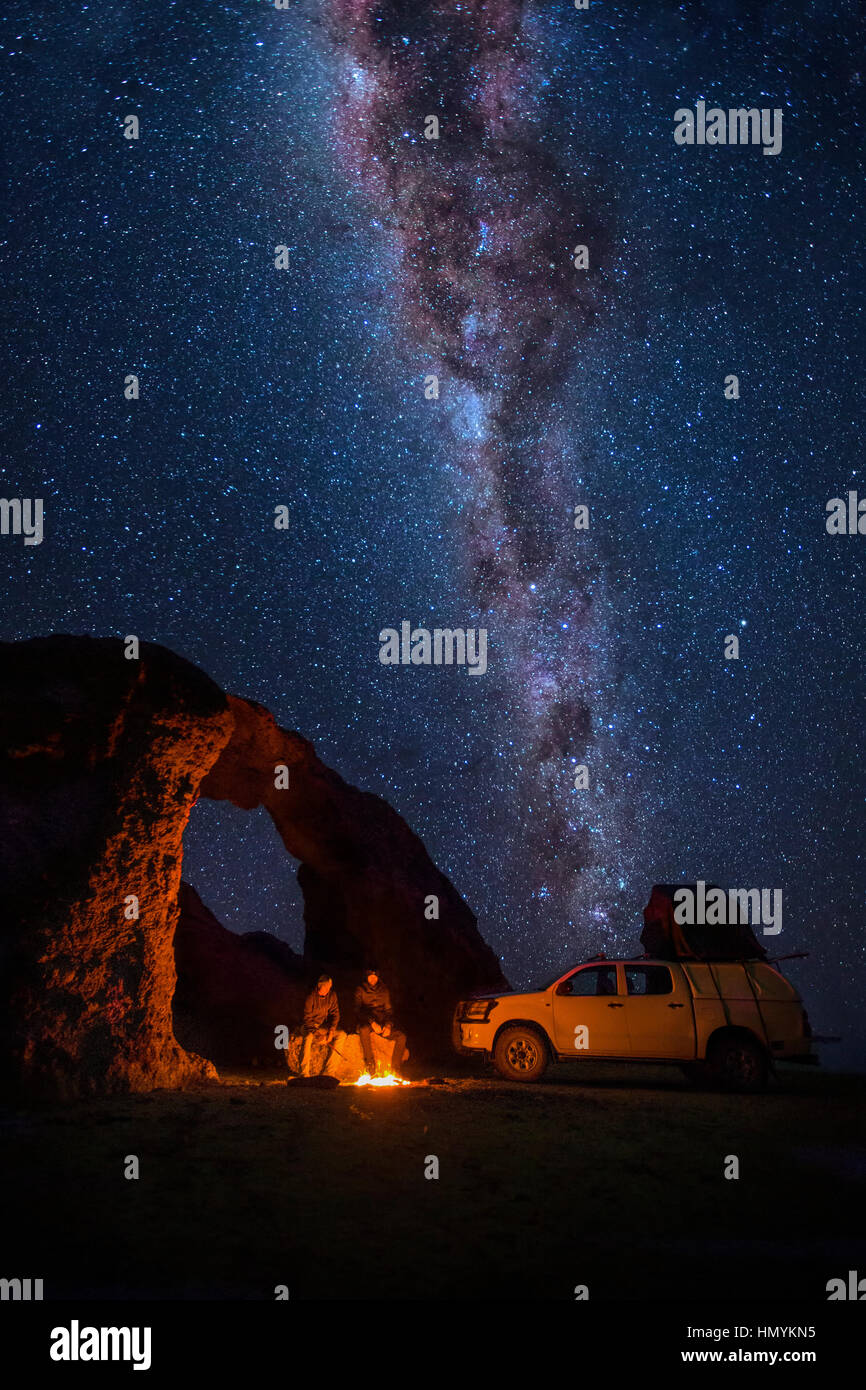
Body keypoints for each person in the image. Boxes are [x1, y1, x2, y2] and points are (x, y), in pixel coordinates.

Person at [353, 966, 407, 1076]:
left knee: (401, 1037)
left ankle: (395, 1069)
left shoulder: (384, 990)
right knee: (363, 1030)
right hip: (367, 1022)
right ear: (366, 977)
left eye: (375, 977)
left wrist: (388, 1025)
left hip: (382, 1023)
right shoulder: (360, 990)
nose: (373, 979)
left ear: (378, 977)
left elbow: (389, 1011)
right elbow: (357, 1010)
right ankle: (370, 1066)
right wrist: (372, 1022)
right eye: (370, 977)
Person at [299, 974, 346, 1077]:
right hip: (309, 1026)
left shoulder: (332, 995)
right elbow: (307, 1018)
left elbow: (335, 1014)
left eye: (329, 987)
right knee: (308, 1037)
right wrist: (316, 1033)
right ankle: (304, 1073)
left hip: (322, 1027)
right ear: (320, 986)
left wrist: (332, 1030)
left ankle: (329, 1072)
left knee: (342, 1035)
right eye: (325, 987)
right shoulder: (311, 996)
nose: (326, 990)